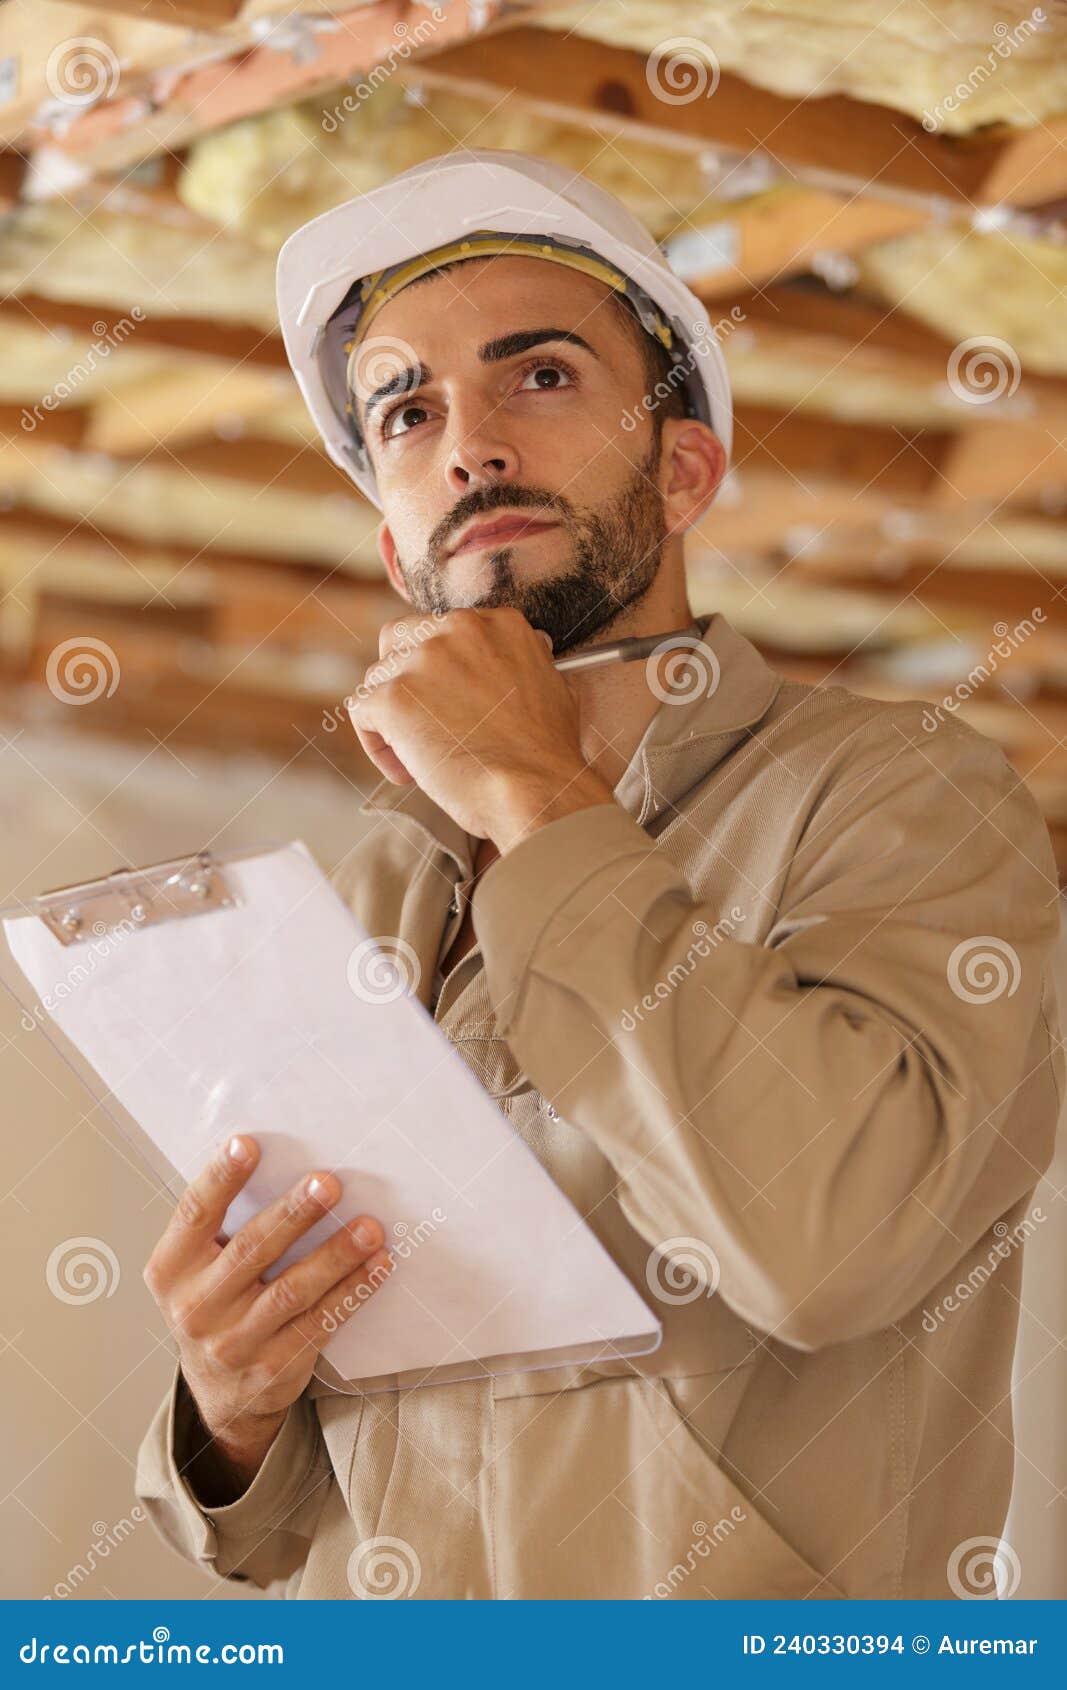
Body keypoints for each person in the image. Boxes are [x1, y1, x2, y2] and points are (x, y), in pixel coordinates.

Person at [136, 150, 1064, 1600]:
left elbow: (829, 1242)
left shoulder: (902, 798)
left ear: (682, 466)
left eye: (544, 378)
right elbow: (280, 1520)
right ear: (396, 541)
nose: (473, 445)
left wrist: (538, 795)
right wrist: (228, 1406)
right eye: (409, 409)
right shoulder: (370, 900)